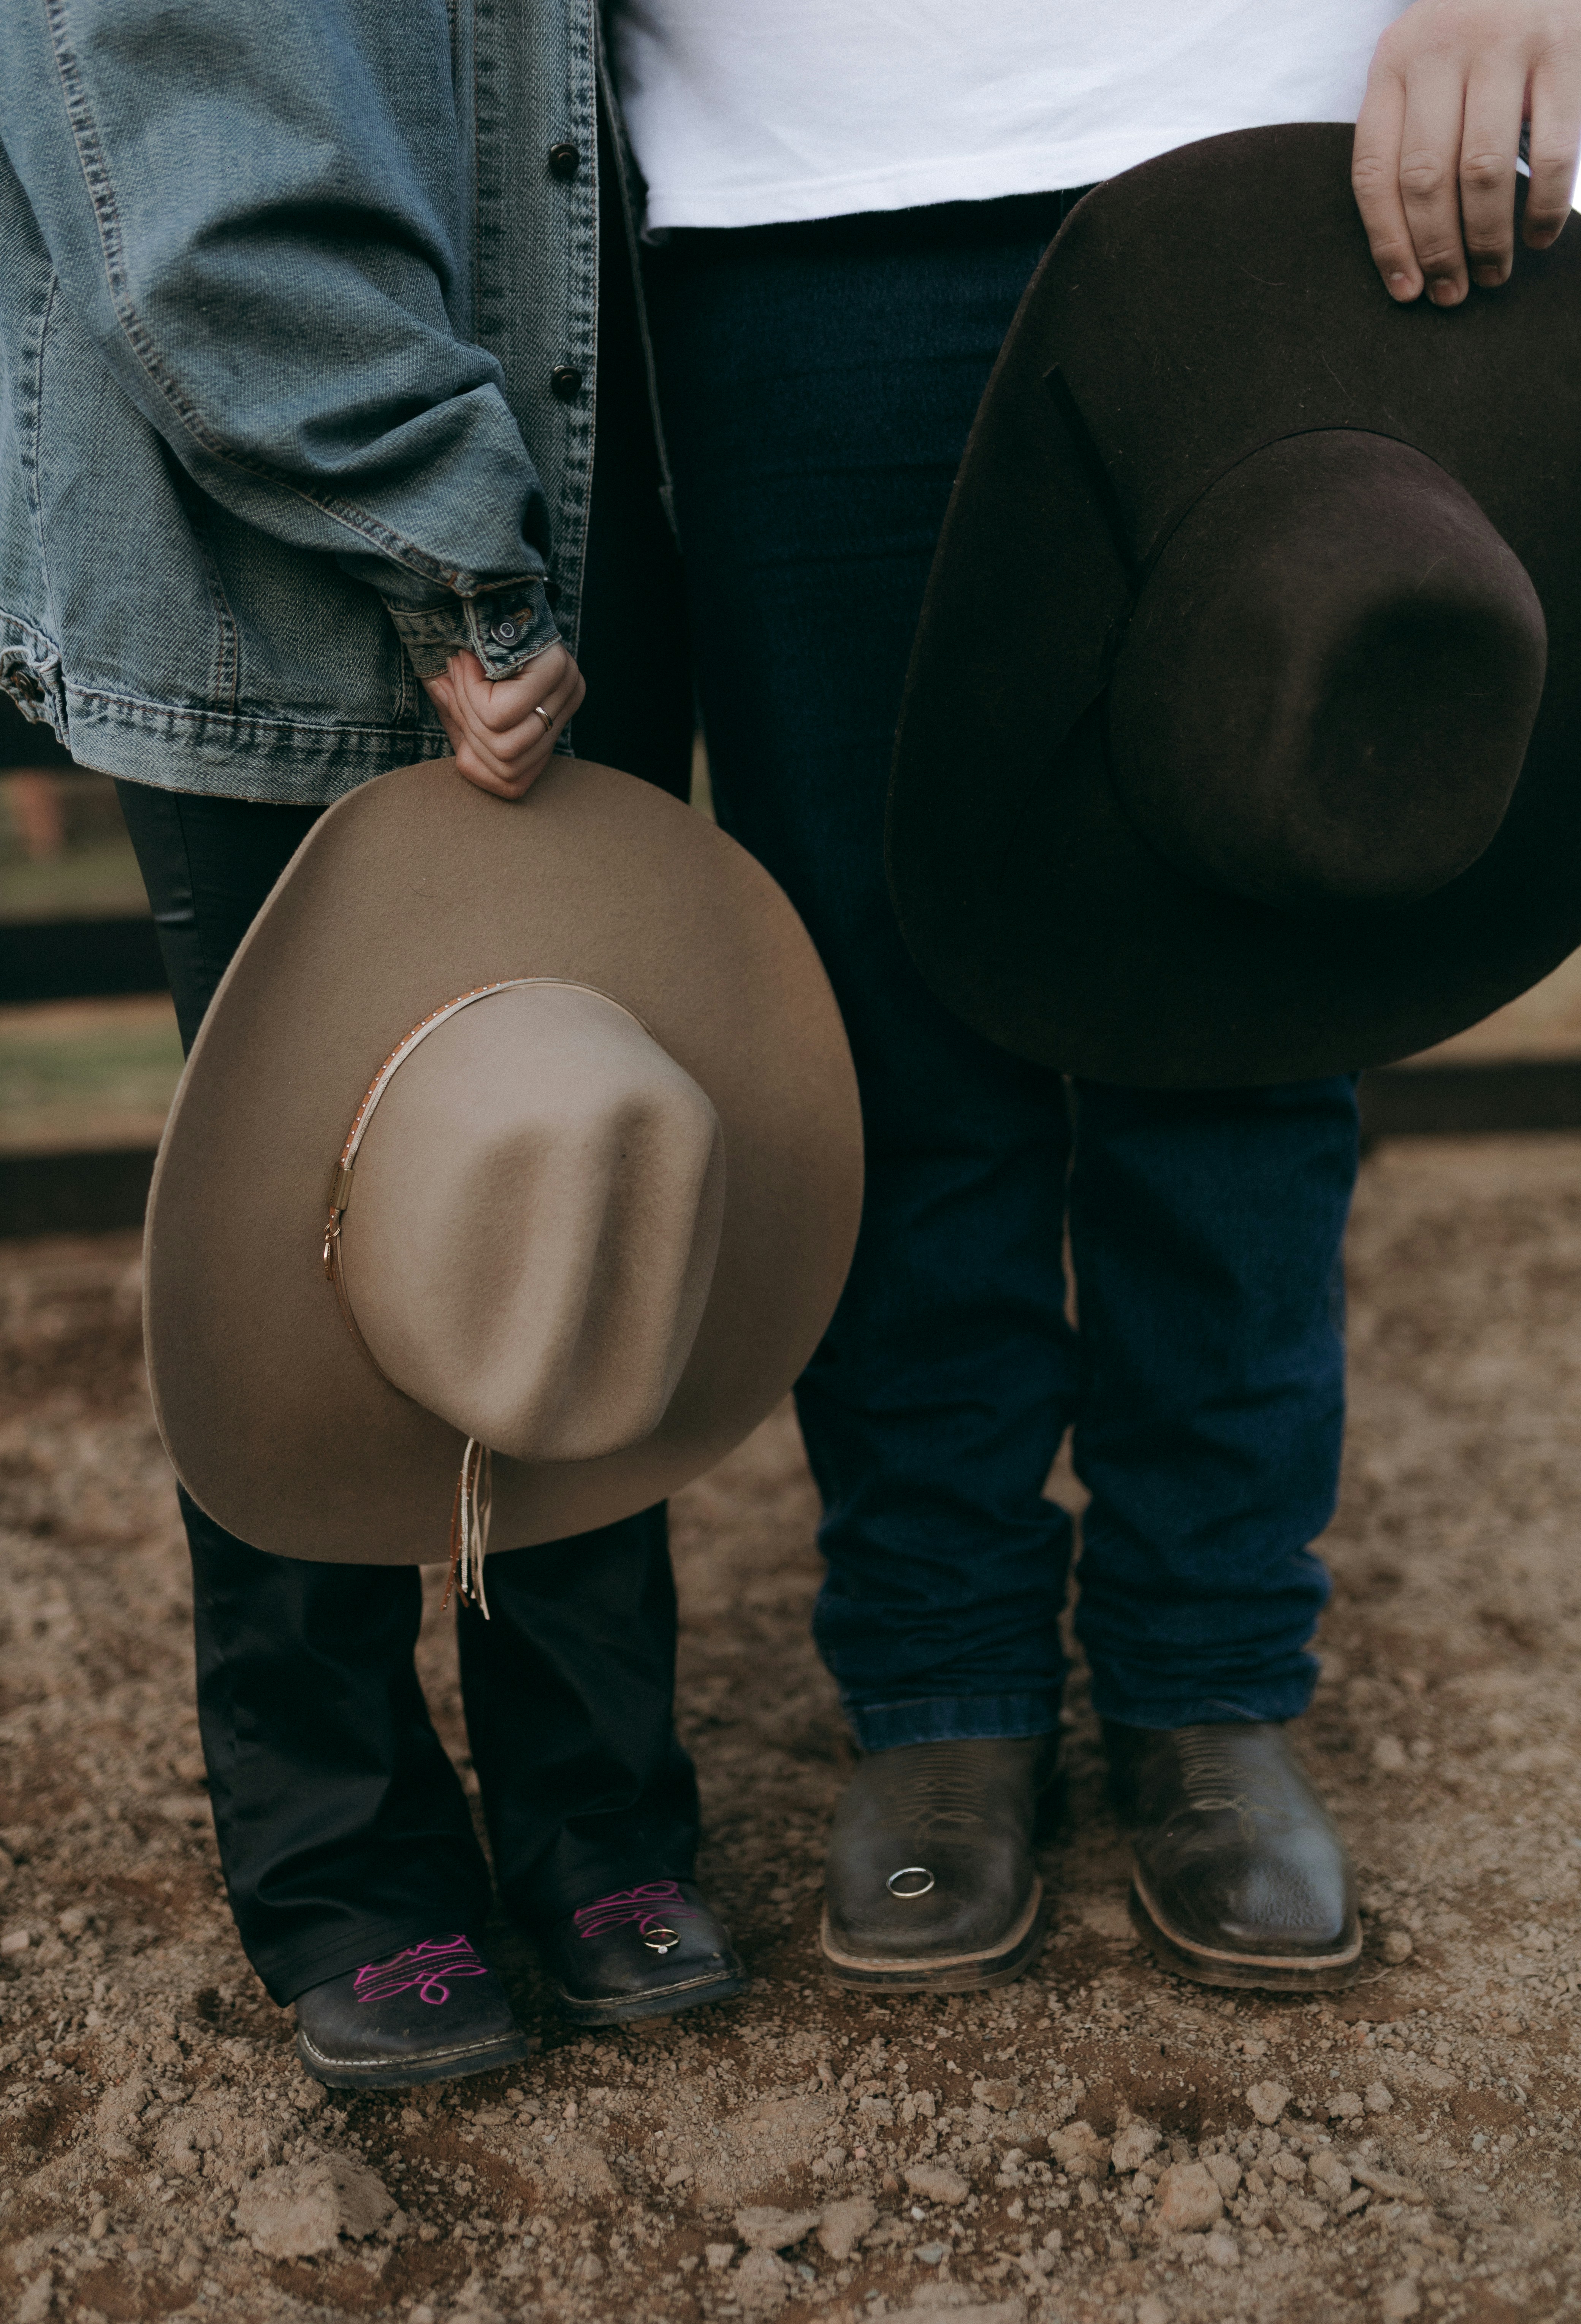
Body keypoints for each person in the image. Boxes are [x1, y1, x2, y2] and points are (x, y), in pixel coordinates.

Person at [609, 0, 1581, 1991]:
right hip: (796, 198)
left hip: (1277, 162)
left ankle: (1211, 1681)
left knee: (1247, 988)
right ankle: (943, 1688)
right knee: (877, 1015)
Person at [0, 3, 750, 2085]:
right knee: (311, 1226)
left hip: (558, 511)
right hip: (319, 556)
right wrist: (454, 559)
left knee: (575, 1159)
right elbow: (187, 154)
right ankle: (347, 1859)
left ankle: (598, 1804)